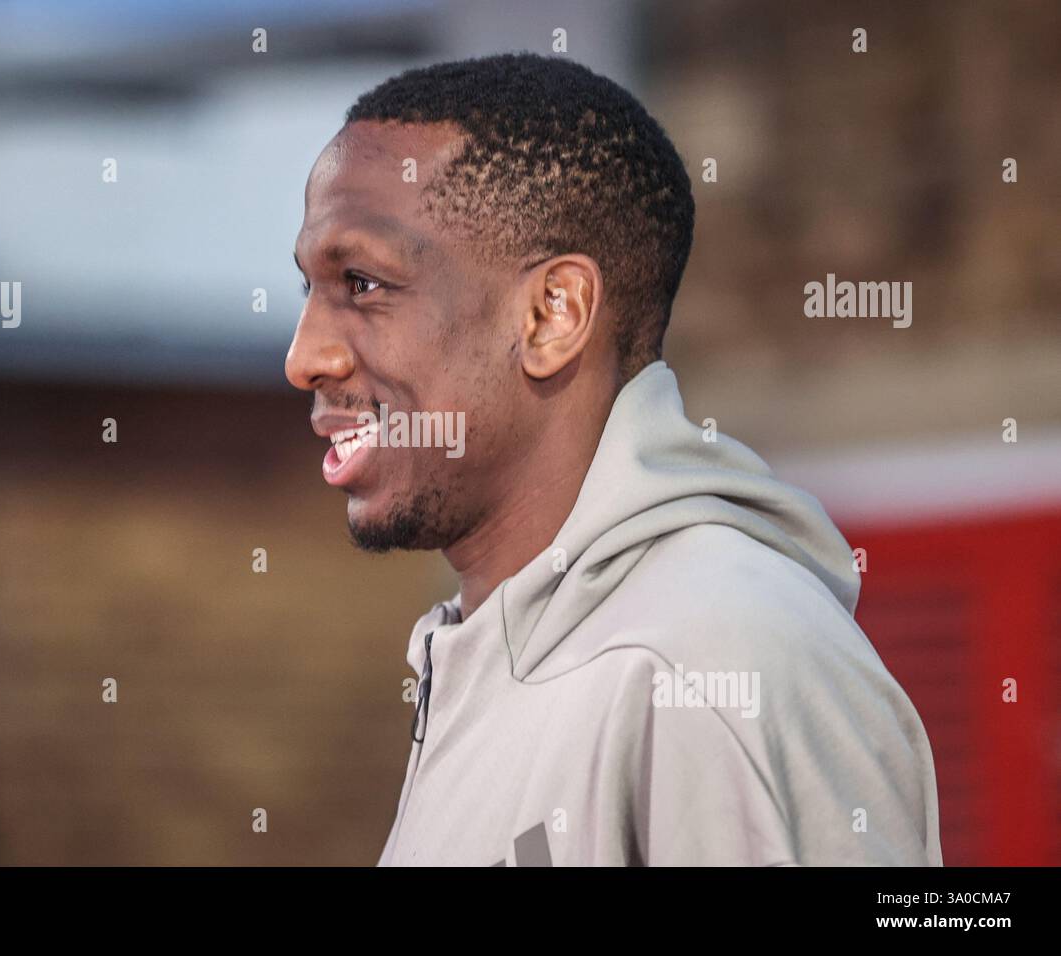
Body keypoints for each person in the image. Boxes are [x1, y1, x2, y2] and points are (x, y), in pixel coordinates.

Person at [285, 52, 941, 866]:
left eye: (363, 283)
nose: (305, 357)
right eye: (308, 289)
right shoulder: (485, 659)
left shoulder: (709, 660)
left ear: (553, 314)